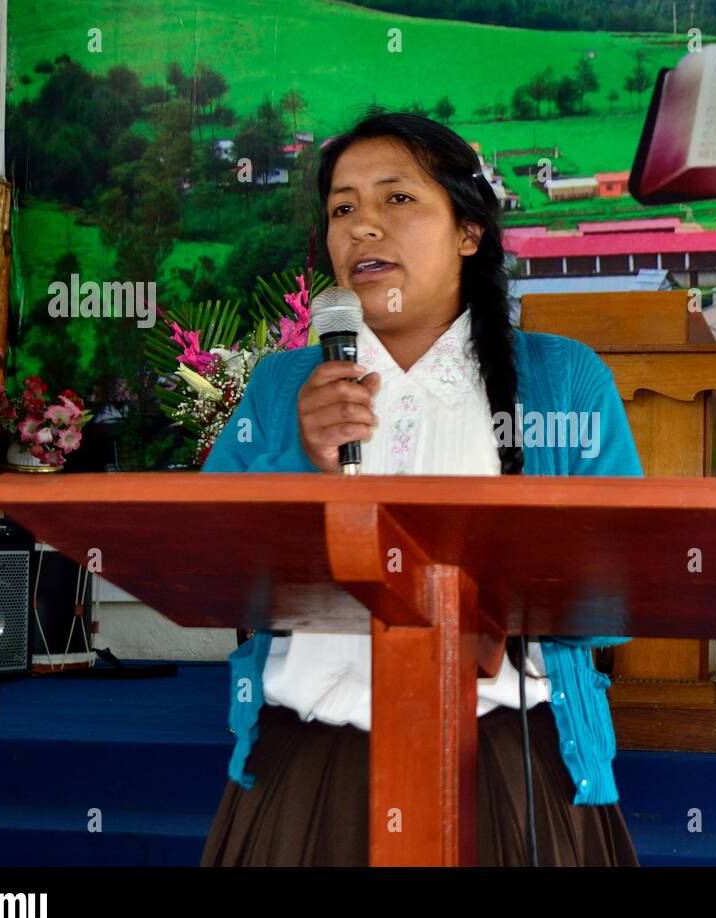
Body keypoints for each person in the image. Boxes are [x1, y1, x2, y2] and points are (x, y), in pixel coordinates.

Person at [199, 110, 643, 866]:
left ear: (469, 231)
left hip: (507, 771)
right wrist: (299, 453)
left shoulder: (563, 380)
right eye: (342, 208)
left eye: (396, 199)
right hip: (312, 769)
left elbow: (618, 601)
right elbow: (212, 573)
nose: (363, 228)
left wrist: (482, 615)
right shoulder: (282, 386)